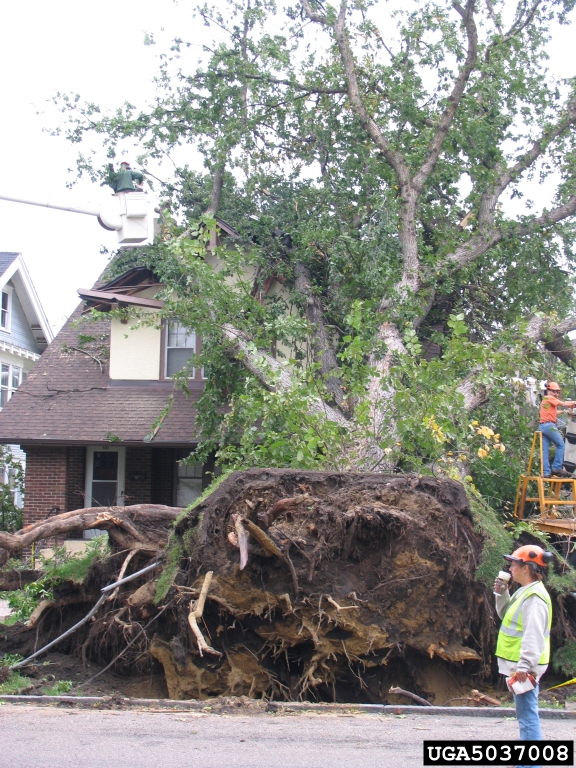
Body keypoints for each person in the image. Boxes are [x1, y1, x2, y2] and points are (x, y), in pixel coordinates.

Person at [494, 545, 553, 768]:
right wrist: (502, 593)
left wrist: (525, 666)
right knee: (526, 716)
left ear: (526, 567)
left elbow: (533, 634)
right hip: (521, 666)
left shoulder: (534, 598)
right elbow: (506, 614)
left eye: (513, 564)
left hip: (525, 668)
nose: (510, 568)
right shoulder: (526, 591)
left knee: (528, 717)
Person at [538, 381, 576, 478]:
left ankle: (546, 473)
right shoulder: (549, 397)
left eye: (557, 392)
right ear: (548, 390)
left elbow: (552, 412)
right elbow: (563, 403)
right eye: (553, 391)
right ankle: (556, 467)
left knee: (544, 451)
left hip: (542, 427)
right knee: (561, 445)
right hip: (549, 426)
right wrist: (574, 402)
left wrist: (564, 411)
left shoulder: (545, 400)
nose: (555, 394)